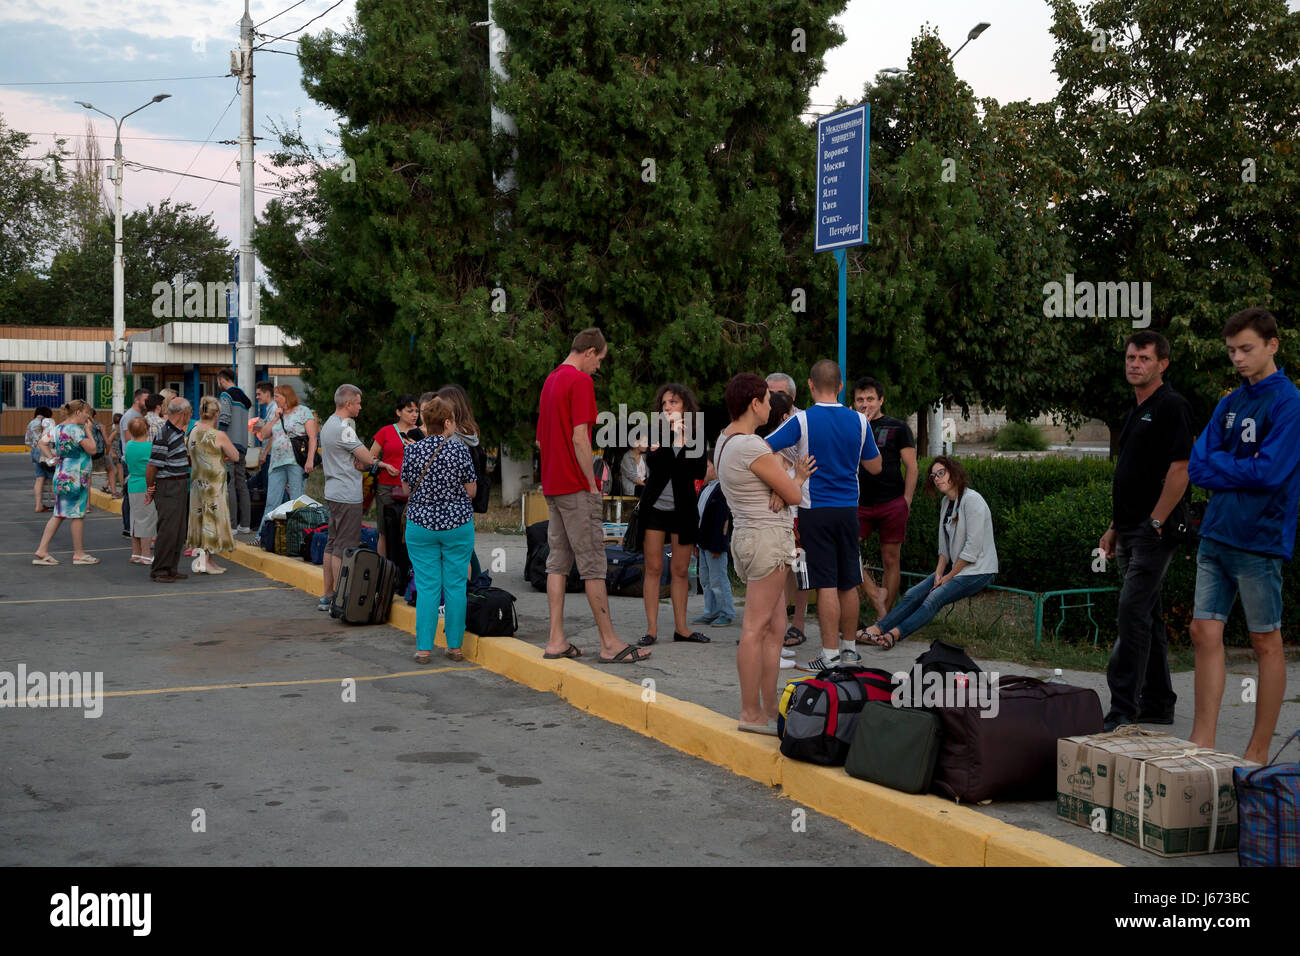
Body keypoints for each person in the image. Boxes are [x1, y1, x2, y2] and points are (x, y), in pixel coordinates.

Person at [1186, 308, 1300, 764]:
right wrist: (1237, 471)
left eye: (1247, 349)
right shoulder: (1229, 402)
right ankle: (1202, 740)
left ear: (1272, 345)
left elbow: (1271, 472)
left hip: (1260, 538)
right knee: (1202, 631)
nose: (1238, 358)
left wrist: (1223, 469)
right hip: (1216, 534)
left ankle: (1256, 752)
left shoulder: (1289, 402)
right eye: (1232, 350)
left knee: (1264, 642)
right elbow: (1196, 466)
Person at [1097, 332, 1194, 731]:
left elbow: (1181, 470)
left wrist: (1154, 521)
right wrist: (1115, 526)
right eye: (1130, 357)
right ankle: (1158, 702)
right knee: (1148, 616)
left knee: (1131, 611)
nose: (1134, 363)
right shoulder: (1135, 408)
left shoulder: (1173, 406)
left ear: (1162, 364)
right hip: (1130, 529)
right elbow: (1132, 475)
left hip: (1155, 530)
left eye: (1144, 358)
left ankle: (1122, 708)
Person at [537, 328, 649, 664]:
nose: (598, 367)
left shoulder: (550, 381)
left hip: (553, 485)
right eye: (599, 359)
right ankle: (609, 642)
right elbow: (580, 438)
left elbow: (542, 441)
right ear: (589, 351)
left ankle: (555, 639)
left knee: (557, 562)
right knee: (593, 566)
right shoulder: (580, 382)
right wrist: (590, 481)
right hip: (574, 485)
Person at [765, 359, 882, 671]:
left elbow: (763, 448)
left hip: (814, 510)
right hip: (848, 509)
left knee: (826, 584)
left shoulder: (801, 422)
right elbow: (875, 466)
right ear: (842, 387)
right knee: (849, 581)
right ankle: (849, 651)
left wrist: (783, 479)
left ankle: (828, 656)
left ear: (810, 386)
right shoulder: (860, 421)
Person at [715, 374, 814, 733]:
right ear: (754, 404)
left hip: (747, 537)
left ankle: (770, 708)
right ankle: (751, 712)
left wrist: (783, 485)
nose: (771, 405)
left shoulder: (725, 441)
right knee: (756, 628)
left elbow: (775, 486)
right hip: (767, 540)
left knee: (775, 626)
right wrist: (796, 479)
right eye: (767, 399)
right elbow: (791, 493)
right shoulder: (751, 446)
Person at [861, 456, 997, 648]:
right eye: (934, 476)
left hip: (978, 570)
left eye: (941, 473)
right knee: (913, 593)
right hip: (956, 568)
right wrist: (939, 573)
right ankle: (877, 629)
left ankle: (894, 634)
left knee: (934, 597)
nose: (937, 478)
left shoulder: (972, 500)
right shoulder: (946, 503)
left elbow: (971, 550)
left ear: (953, 472)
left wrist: (947, 577)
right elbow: (944, 547)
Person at [403, 395, 479, 664]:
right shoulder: (459, 450)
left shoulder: (412, 450)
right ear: (447, 423)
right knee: (456, 585)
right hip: (457, 525)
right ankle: (455, 647)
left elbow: (406, 489)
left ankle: (424, 648)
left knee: (427, 587)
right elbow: (471, 490)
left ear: (425, 421)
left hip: (420, 526)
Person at [637, 382, 708, 647]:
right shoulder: (655, 432)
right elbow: (655, 464)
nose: (667, 407)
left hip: (684, 509)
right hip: (655, 507)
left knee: (680, 570)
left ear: (686, 407)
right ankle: (652, 630)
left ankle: (682, 629)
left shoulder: (696, 434)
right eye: (664, 403)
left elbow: (699, 469)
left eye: (673, 403)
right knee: (654, 568)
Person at [318, 384, 397, 611]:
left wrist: (363, 461)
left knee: (332, 543)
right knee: (344, 546)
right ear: (348, 403)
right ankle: (340, 598)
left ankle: (328, 594)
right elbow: (367, 456)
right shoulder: (344, 429)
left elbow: (359, 459)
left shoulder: (328, 425)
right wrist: (381, 464)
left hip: (333, 491)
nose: (361, 407)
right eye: (359, 403)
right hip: (347, 494)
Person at [852, 376, 917, 620]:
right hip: (859, 503)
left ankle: (885, 619)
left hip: (892, 501)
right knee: (845, 548)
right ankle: (874, 594)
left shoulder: (898, 427)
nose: (865, 403)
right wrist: (857, 425)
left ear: (881, 400)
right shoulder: (850, 425)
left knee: (891, 558)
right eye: (860, 399)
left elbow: (911, 467)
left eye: (870, 398)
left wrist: (906, 500)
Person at [766, 371, 812, 649]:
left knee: (801, 566)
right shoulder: (761, 421)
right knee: (777, 566)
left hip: (803, 503)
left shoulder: (804, 421)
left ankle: (799, 624)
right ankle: (775, 623)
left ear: (793, 396)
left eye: (779, 394)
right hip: (775, 507)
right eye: (768, 393)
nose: (772, 398)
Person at [32, 400, 100, 566]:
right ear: (78, 413)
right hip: (76, 475)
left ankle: (43, 549)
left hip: (62, 472)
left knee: (60, 513)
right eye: (86, 413)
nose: (88, 417)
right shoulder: (76, 430)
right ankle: (78, 553)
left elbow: (42, 442)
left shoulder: (59, 428)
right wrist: (89, 432)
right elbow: (92, 449)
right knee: (77, 514)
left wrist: (51, 458)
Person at [186, 396, 241, 574]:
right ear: (216, 414)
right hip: (214, 484)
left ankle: (207, 560)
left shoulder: (193, 432)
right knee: (211, 520)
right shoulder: (218, 435)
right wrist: (220, 456)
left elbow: (190, 453)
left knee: (201, 519)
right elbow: (235, 456)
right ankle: (206, 562)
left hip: (197, 482)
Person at [257, 383, 319, 533]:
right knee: (272, 501)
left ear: (286, 397)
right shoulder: (275, 413)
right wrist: (274, 418)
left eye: (277, 396)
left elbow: (312, 438)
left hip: (295, 462)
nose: (275, 399)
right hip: (277, 463)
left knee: (296, 500)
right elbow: (264, 435)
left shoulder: (303, 412)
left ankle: (296, 535)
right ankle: (262, 535)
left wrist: (310, 459)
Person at [146, 397, 194, 583]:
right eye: (189, 413)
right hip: (169, 486)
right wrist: (151, 488)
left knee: (178, 530)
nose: (189, 416)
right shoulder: (165, 433)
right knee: (168, 529)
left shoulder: (175, 433)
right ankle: (160, 570)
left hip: (179, 484)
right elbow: (152, 466)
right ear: (183, 413)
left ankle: (171, 567)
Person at [369, 394, 421, 559]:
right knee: (384, 531)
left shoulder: (421, 432)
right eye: (409, 411)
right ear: (398, 412)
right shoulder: (386, 431)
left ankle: (408, 571)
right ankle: (384, 570)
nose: (414, 415)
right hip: (387, 488)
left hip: (413, 488)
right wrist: (385, 465)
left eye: (417, 411)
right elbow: (370, 458)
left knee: (411, 531)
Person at [694, 455, 736, 628]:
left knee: (718, 578)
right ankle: (710, 610)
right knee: (705, 579)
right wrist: (695, 543)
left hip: (714, 544)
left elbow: (723, 521)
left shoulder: (722, 490)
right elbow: (699, 518)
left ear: (717, 467)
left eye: (707, 465)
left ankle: (726, 612)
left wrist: (718, 545)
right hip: (702, 543)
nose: (704, 470)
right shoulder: (704, 489)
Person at [217, 368, 254, 534]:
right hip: (242, 445)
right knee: (242, 484)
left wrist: (219, 439)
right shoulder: (244, 398)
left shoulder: (226, 396)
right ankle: (245, 524)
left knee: (229, 484)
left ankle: (231, 525)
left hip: (229, 444)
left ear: (222, 379)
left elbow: (224, 417)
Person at [123, 416, 157, 565]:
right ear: (147, 430)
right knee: (148, 521)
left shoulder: (129, 445)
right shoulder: (150, 447)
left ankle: (135, 553)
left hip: (132, 484)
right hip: (146, 484)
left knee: (135, 520)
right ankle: (146, 555)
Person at [119, 387, 150, 537]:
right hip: (131, 461)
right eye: (145, 399)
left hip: (134, 459)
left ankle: (132, 527)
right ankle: (127, 527)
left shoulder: (137, 415)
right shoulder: (130, 416)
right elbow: (127, 439)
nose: (147, 402)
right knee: (130, 496)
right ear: (137, 400)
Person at [26, 404, 56, 513]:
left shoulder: (31, 423)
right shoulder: (47, 421)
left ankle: (38, 505)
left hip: (34, 451)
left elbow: (27, 441)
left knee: (39, 478)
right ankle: (58, 505)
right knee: (53, 478)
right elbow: (52, 438)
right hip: (45, 451)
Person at [107, 412, 125, 498]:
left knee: (115, 471)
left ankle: (105, 486)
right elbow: (108, 441)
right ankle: (123, 488)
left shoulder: (116, 429)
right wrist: (111, 452)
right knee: (120, 471)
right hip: (116, 454)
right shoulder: (116, 431)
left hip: (117, 453)